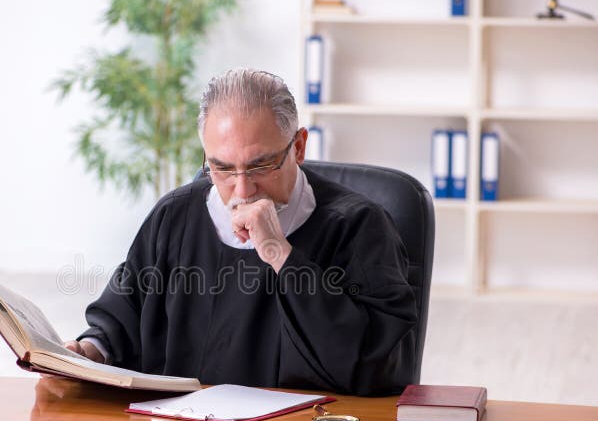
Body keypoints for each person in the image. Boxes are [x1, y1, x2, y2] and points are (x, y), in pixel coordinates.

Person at [65, 68, 417, 395]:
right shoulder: (175, 216)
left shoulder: (359, 227)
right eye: (221, 168)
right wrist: (90, 351)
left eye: (260, 166)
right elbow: (124, 315)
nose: (243, 190)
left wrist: (280, 253)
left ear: (298, 147)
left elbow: (379, 366)